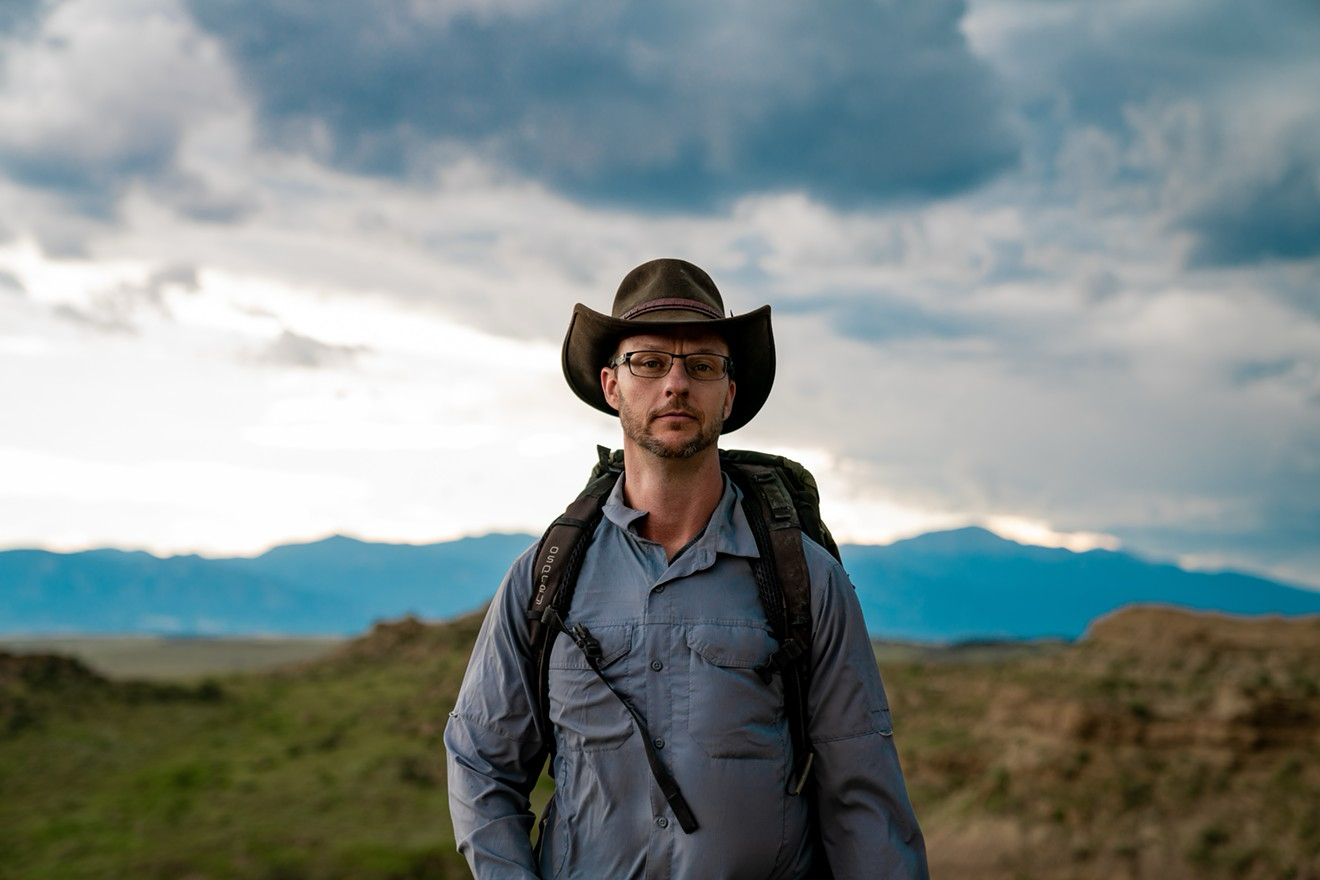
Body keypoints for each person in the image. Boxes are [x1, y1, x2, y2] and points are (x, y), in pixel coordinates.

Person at [444, 259, 928, 879]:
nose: (676, 383)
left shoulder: (804, 581)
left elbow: (865, 802)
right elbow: (481, 763)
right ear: (611, 386)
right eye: (649, 362)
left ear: (727, 394)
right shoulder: (543, 577)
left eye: (701, 365)